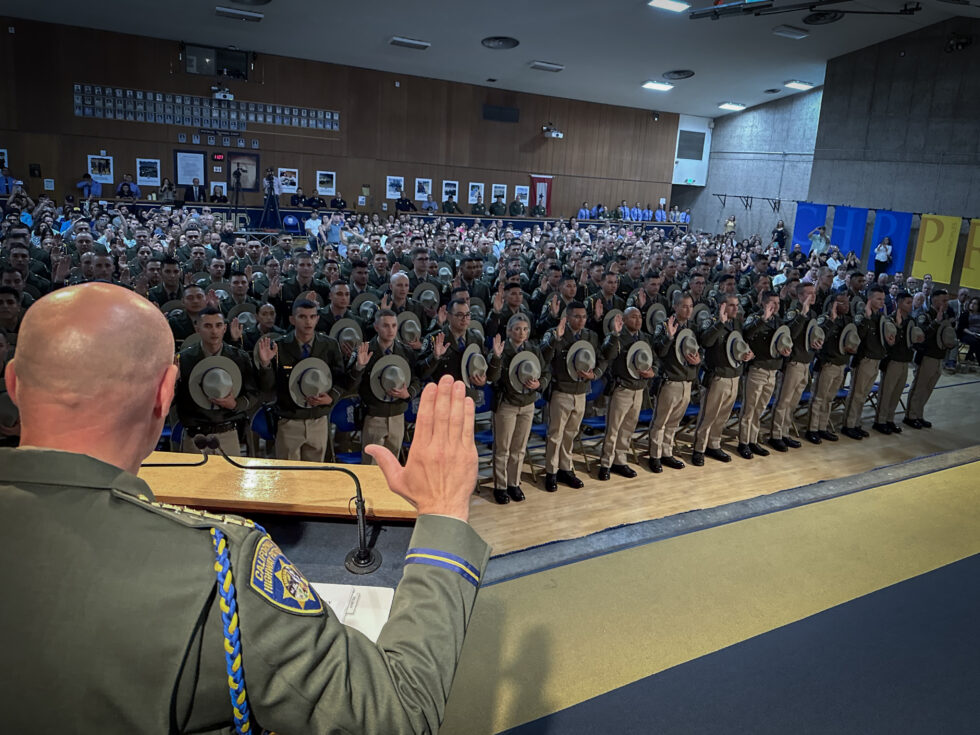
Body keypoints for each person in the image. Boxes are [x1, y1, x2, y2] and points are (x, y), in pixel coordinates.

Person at [1, 282, 490, 733]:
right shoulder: (222, 568)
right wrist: (444, 510)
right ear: (166, 392)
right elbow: (394, 713)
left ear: (14, 384)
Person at [262, 300, 370, 461]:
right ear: (292, 319)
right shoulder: (279, 346)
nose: (308, 321)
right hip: (289, 420)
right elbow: (268, 387)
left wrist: (331, 396)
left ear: (317, 319)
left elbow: (341, 381)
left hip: (318, 420)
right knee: (287, 476)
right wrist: (265, 365)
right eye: (302, 317)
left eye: (312, 316)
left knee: (314, 475)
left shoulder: (329, 345)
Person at [540, 302, 607, 491]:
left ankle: (565, 468)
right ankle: (551, 471)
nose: (581, 320)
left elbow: (602, 358)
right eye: (577, 316)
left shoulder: (590, 336)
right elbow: (543, 357)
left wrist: (595, 374)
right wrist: (555, 338)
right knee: (556, 434)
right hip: (561, 390)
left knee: (571, 433)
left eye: (584, 317)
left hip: (581, 391)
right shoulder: (555, 333)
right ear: (567, 317)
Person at [490, 314, 550, 504]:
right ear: (508, 331)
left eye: (525, 329)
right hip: (506, 404)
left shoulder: (533, 348)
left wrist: (540, 383)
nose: (521, 333)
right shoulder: (502, 349)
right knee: (503, 448)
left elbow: (546, 372)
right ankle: (500, 486)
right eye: (517, 329)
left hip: (527, 404)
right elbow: (492, 377)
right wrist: (496, 357)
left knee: (519, 447)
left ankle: (513, 483)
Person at [693, 296, 749, 465]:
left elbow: (740, 345)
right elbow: (705, 341)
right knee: (708, 415)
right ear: (722, 306)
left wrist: (747, 354)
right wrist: (720, 323)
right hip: (717, 376)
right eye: (731, 305)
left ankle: (714, 444)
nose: (735, 309)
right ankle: (699, 449)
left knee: (723, 415)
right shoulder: (710, 322)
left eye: (737, 306)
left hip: (734, 375)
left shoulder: (737, 324)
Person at [648, 295, 700, 472]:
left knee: (674, 422)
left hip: (686, 381)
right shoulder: (663, 326)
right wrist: (669, 337)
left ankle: (667, 453)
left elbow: (696, 353)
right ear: (675, 307)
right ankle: (655, 456)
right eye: (684, 306)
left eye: (691, 306)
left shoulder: (693, 327)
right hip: (669, 381)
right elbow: (659, 351)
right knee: (660, 421)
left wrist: (698, 360)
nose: (688, 310)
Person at [737, 291, 790, 459]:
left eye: (778, 304)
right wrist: (763, 319)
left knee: (760, 408)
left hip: (772, 370)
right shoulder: (755, 318)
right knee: (749, 408)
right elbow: (746, 333)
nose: (775, 307)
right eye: (771, 304)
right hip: (757, 369)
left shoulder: (779, 322)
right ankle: (743, 442)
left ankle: (753, 440)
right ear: (764, 304)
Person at [597, 307, 648, 480]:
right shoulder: (617, 337)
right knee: (613, 428)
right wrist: (614, 335)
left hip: (638, 389)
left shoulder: (644, 338)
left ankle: (620, 460)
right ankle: (605, 463)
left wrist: (652, 371)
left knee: (628, 428)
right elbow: (606, 354)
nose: (638, 320)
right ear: (624, 320)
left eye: (640, 317)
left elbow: (654, 360)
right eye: (633, 317)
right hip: (622, 389)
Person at [841, 286, 891, 440]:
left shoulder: (880, 317)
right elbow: (858, 336)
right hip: (864, 359)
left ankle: (856, 423)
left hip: (876, 359)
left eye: (883, 299)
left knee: (864, 395)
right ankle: (848, 425)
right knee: (856, 394)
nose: (882, 302)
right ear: (869, 299)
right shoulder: (862, 317)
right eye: (878, 299)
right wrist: (867, 319)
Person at [904, 288, 951, 429]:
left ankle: (919, 414)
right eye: (944, 300)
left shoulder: (945, 315)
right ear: (935, 300)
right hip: (926, 356)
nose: (946, 303)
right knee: (919, 387)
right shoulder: (924, 315)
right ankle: (910, 415)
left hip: (939, 356)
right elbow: (922, 335)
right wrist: (936, 322)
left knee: (929, 388)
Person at [873, 291, 917, 434]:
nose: (911, 305)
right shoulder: (890, 320)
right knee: (887, 392)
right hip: (892, 360)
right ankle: (880, 421)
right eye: (907, 302)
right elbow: (891, 343)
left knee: (897, 392)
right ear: (899, 303)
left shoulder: (911, 320)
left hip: (905, 360)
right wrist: (899, 327)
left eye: (911, 302)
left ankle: (890, 419)